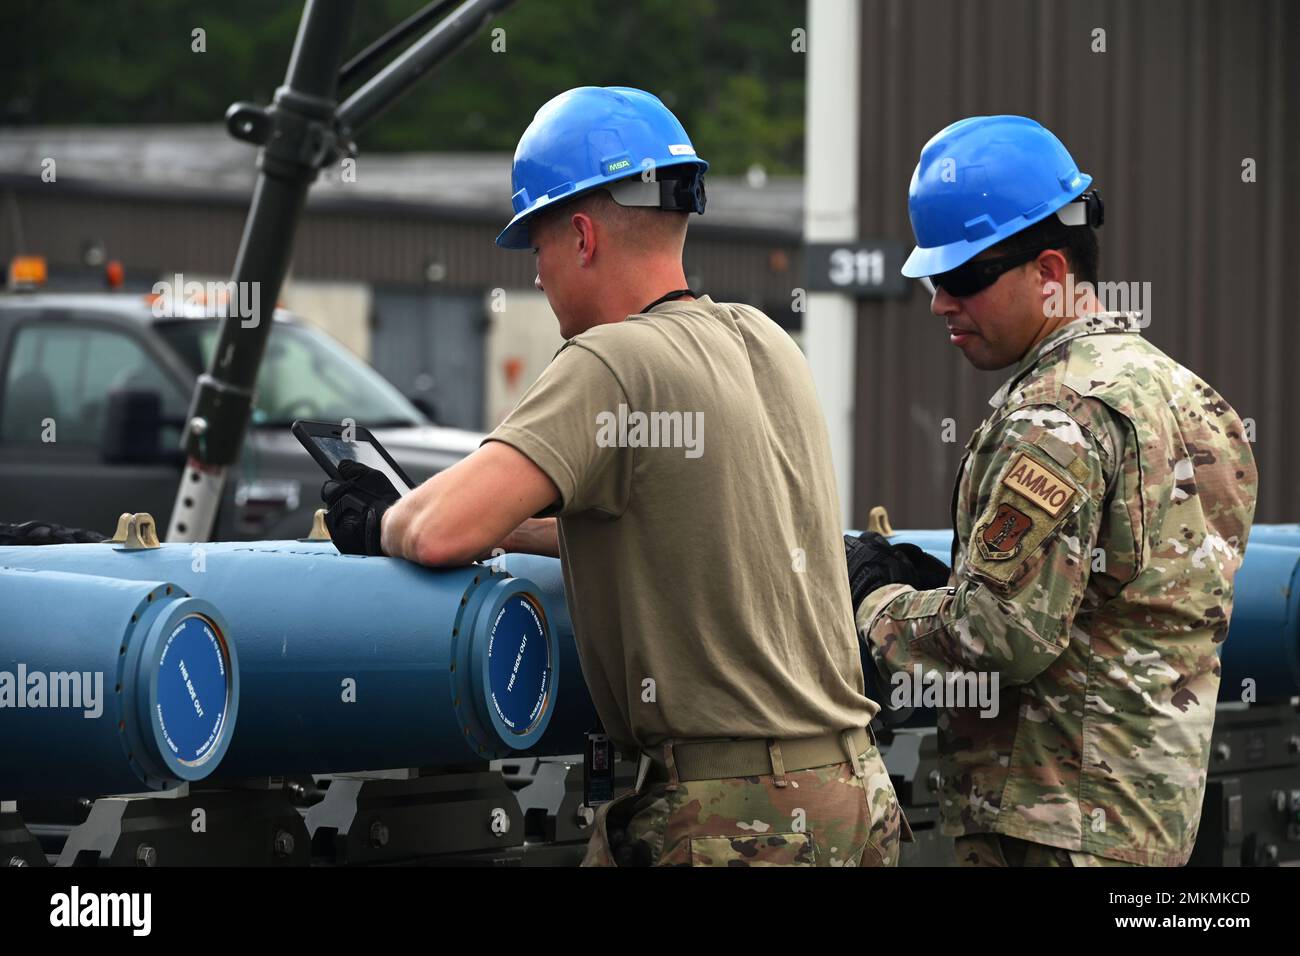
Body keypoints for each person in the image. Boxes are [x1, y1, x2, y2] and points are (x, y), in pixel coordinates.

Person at [321, 86, 905, 867]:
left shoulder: (611, 360)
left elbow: (437, 530)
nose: (536, 275)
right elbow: (678, 531)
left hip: (734, 817)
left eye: (537, 247)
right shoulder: (766, 343)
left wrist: (378, 521)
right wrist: (521, 530)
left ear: (584, 236)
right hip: (853, 791)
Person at [847, 115, 1258, 866]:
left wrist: (874, 601)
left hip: (1048, 829)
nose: (940, 301)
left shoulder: (1054, 417)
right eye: (934, 280)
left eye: (964, 277)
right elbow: (1114, 611)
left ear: (1050, 272)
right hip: (1148, 829)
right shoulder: (1197, 401)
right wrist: (950, 587)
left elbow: (1000, 639)